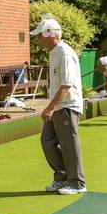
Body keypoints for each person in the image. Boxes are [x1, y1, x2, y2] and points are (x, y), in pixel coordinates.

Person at [34, 17, 86, 195]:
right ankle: (62, 176)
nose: (39, 40)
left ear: (50, 34)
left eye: (40, 35)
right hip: (57, 106)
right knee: (47, 140)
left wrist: (50, 107)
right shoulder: (54, 52)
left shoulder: (65, 53)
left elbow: (66, 85)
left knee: (69, 143)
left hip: (67, 106)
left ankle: (77, 182)